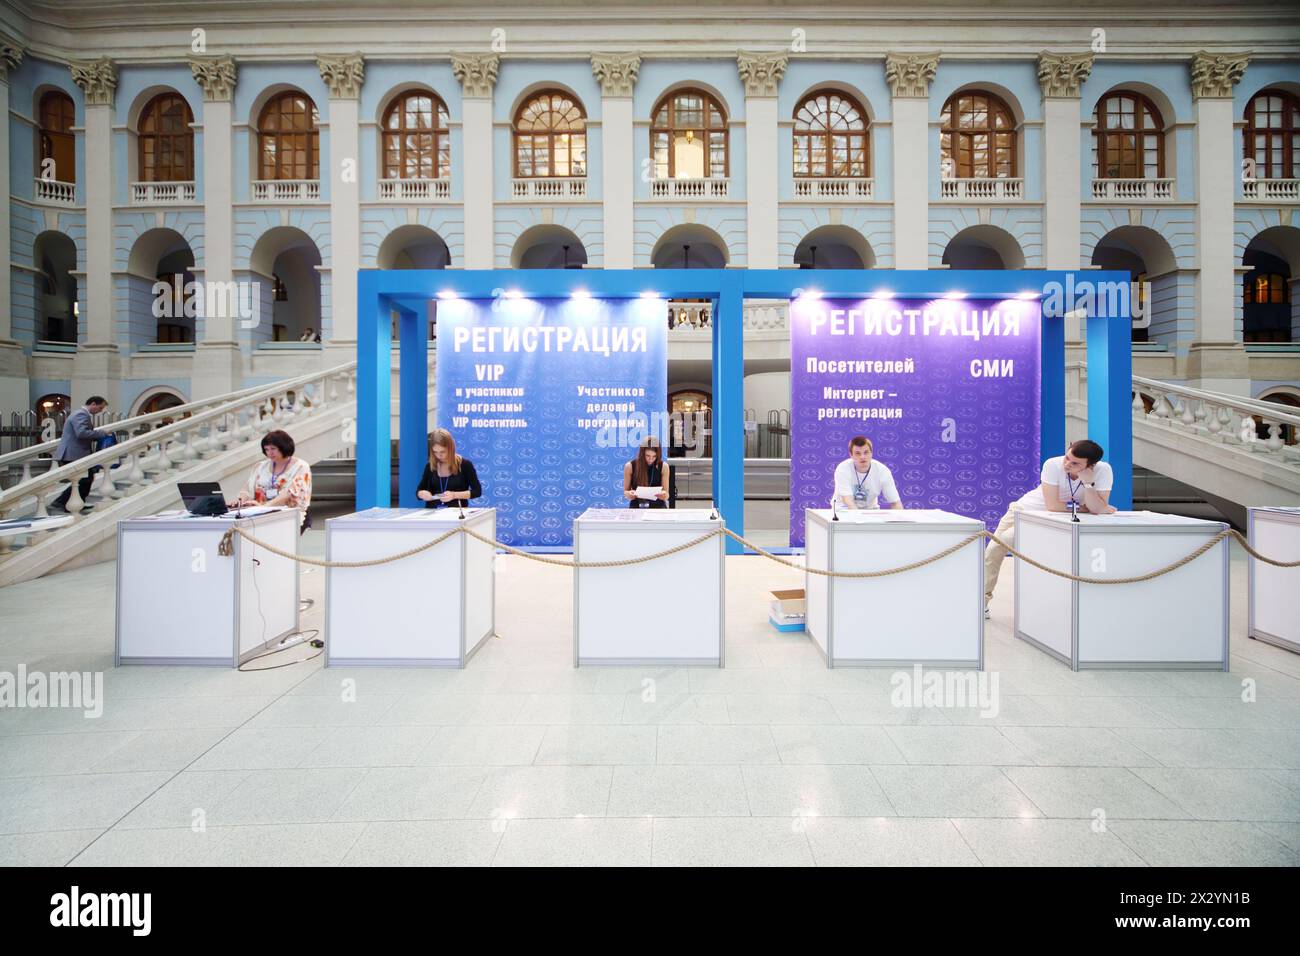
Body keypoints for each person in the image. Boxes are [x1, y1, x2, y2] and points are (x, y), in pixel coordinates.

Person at [983, 438, 1118, 612]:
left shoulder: (1103, 471)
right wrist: (1084, 508)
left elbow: (1098, 508)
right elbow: (1053, 505)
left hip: (1058, 518)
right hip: (1026, 508)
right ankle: (982, 603)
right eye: (1067, 457)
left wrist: (1088, 483)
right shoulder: (1053, 464)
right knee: (993, 550)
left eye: (1075, 463)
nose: (1067, 464)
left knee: (1035, 553)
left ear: (1090, 466)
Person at [235, 429, 313, 529]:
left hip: (289, 515)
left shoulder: (301, 466)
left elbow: (289, 493)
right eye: (266, 449)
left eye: (273, 449)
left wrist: (264, 507)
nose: (269, 453)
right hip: (259, 515)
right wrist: (240, 502)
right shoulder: (260, 466)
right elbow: (246, 489)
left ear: (284, 447)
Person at [51, 396, 111, 513]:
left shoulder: (80, 414)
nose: (100, 411)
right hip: (73, 454)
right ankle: (60, 502)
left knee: (85, 479)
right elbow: (81, 433)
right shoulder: (81, 414)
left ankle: (77, 502)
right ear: (93, 404)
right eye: (100, 407)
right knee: (84, 480)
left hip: (76, 453)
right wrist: (101, 433)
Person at [833, 435, 903, 511]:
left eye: (866, 452)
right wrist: (860, 520)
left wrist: (901, 521)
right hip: (844, 509)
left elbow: (895, 502)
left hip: (870, 510)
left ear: (871, 453)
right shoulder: (843, 469)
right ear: (851, 455)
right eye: (857, 453)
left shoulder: (883, 471)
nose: (862, 457)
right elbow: (848, 501)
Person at [416, 428, 481, 509]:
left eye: (442, 452)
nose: (439, 455)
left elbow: (477, 491)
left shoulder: (465, 465)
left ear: (451, 448)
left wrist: (454, 495)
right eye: (435, 452)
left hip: (457, 514)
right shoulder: (430, 466)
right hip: (433, 514)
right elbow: (419, 491)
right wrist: (422, 494)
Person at [623, 436, 669, 509]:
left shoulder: (664, 466)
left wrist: (663, 495)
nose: (651, 459)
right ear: (642, 453)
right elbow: (626, 492)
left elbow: (666, 494)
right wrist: (629, 494)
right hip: (637, 507)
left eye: (654, 456)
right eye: (647, 456)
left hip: (658, 508)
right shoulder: (630, 466)